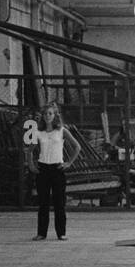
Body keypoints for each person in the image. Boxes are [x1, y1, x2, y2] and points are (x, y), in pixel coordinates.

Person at [26, 101, 81, 241]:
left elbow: (77, 147)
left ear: (55, 115)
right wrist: (31, 166)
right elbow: (30, 151)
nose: (47, 116)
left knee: (59, 203)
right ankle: (41, 233)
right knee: (43, 203)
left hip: (57, 168)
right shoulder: (38, 132)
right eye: (45, 114)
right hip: (43, 169)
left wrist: (69, 163)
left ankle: (61, 233)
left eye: (50, 113)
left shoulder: (62, 131)